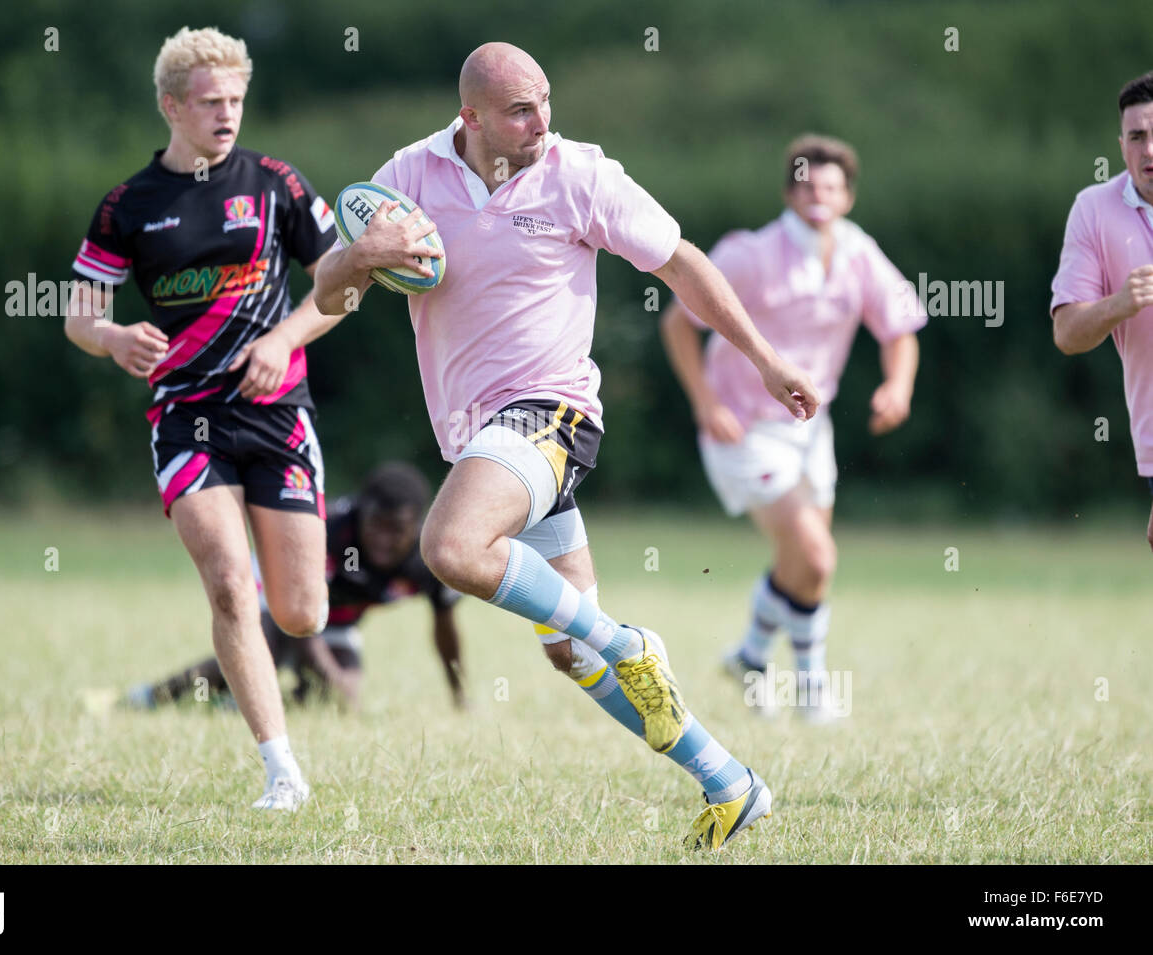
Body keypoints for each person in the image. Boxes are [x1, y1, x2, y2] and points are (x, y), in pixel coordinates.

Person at [312, 42, 821, 849]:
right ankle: (730, 780)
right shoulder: (408, 177)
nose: (542, 121)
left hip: (550, 414)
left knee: (449, 546)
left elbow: (681, 264)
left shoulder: (580, 174)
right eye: (520, 109)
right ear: (470, 117)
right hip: (478, 433)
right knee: (570, 651)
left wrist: (762, 359)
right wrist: (357, 259)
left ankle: (632, 643)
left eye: (546, 100)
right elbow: (329, 290)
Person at [63, 27, 340, 811]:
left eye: (237, 100)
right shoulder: (129, 204)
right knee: (226, 585)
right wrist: (113, 336)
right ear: (171, 105)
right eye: (212, 102)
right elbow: (79, 313)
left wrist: (283, 339)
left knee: (302, 610)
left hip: (277, 413)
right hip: (187, 418)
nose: (227, 114)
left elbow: (340, 288)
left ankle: (275, 641)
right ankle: (281, 769)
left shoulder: (278, 182)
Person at [660, 134, 924, 721]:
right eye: (806, 184)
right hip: (744, 426)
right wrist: (705, 403)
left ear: (848, 197)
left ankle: (752, 656)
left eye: (830, 187)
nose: (817, 196)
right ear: (787, 191)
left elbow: (900, 328)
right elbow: (679, 325)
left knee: (805, 566)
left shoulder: (858, 251)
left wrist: (897, 386)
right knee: (816, 555)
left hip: (811, 427)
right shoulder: (749, 254)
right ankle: (812, 692)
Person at [127, 462, 466, 711]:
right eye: (375, 525)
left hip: (336, 620)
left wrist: (459, 696)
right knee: (261, 655)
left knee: (340, 696)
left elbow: (445, 629)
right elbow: (297, 615)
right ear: (360, 513)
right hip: (281, 597)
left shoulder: (429, 559)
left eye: (396, 530)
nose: (383, 539)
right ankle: (150, 698)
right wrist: (327, 670)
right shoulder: (329, 534)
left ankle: (236, 707)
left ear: (416, 527)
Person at [1052, 70, 1153, 551]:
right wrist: (1118, 304)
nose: (1150, 150)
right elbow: (1068, 334)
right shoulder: (1094, 209)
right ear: (1121, 144)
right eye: (1138, 137)